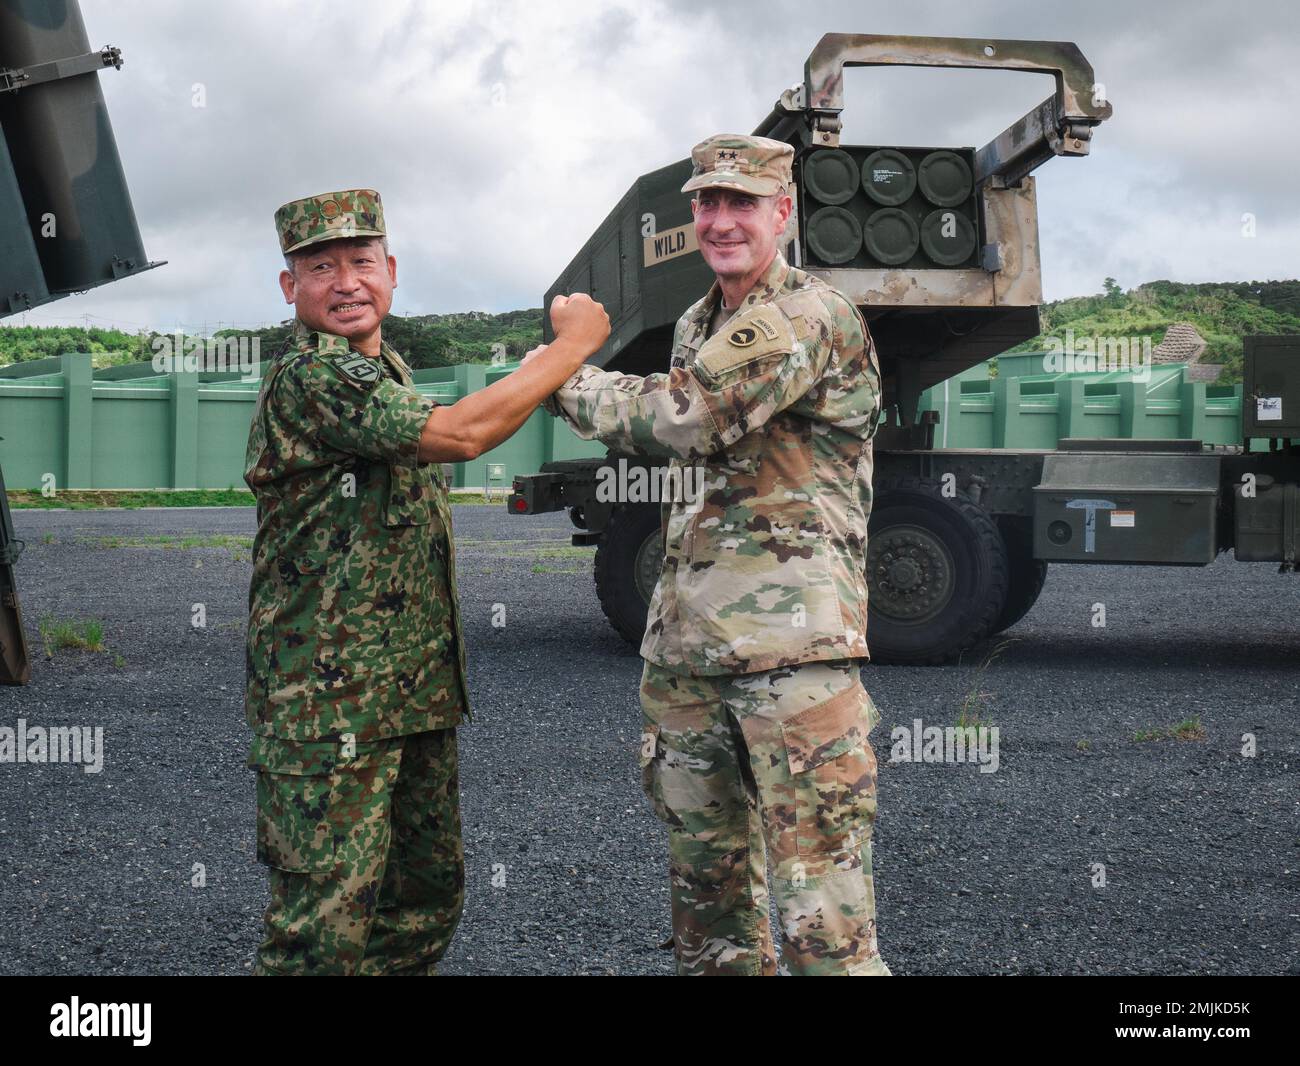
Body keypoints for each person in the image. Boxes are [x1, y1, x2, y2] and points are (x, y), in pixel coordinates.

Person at [539, 136, 890, 975]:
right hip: (690, 653)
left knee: (824, 927)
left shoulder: (809, 314)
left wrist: (562, 373)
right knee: (710, 912)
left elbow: (688, 417)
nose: (722, 221)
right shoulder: (702, 320)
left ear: (783, 212)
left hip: (791, 657)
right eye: (707, 203)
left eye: (743, 203)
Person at [244, 188, 608, 974]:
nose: (346, 282)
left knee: (422, 904)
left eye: (361, 262)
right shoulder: (312, 380)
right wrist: (567, 348)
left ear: (393, 272)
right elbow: (461, 433)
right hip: (326, 706)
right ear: (289, 289)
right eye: (321, 267)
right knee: (320, 931)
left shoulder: (387, 371)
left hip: (410, 696)